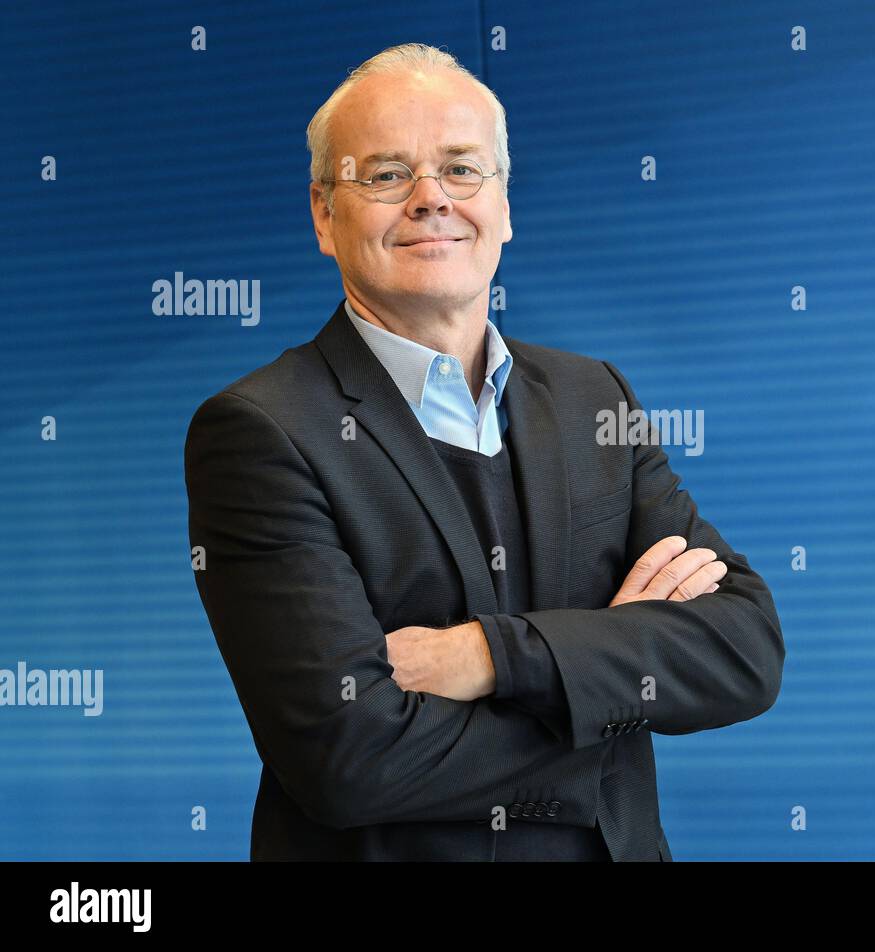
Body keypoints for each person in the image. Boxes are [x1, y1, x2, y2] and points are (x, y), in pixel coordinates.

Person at [184, 42, 784, 861]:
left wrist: (491, 656)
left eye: (462, 169)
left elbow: (742, 649)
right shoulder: (261, 431)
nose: (432, 199)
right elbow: (350, 760)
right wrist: (603, 690)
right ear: (324, 215)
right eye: (386, 174)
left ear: (503, 205)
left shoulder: (593, 399)